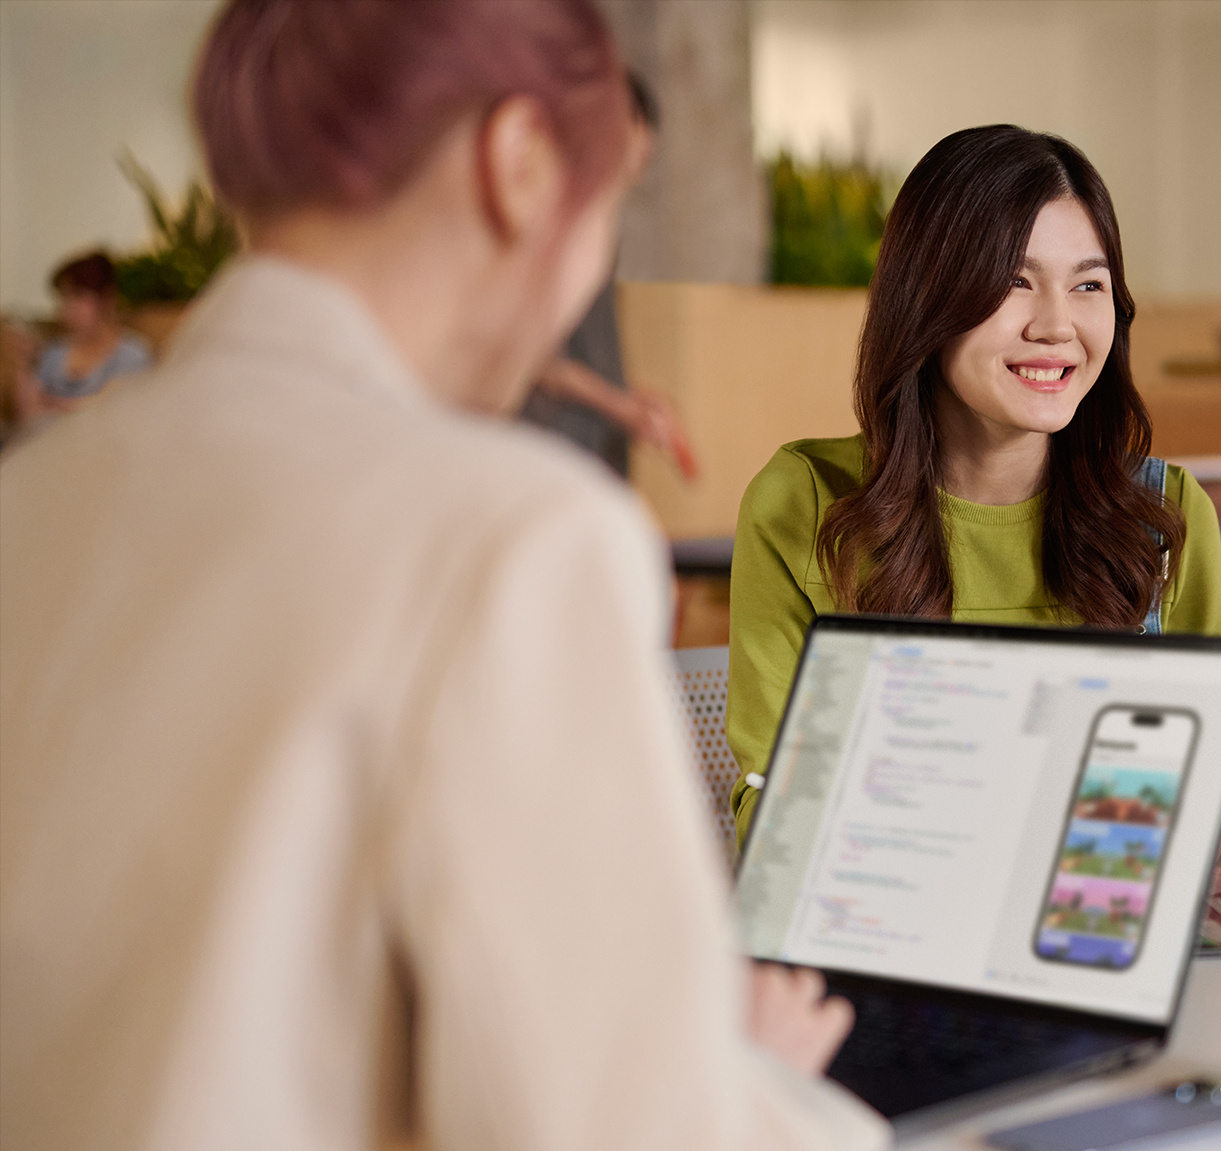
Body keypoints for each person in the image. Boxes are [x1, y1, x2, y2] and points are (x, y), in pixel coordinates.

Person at [0, 1, 883, 1148]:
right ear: (518, 164)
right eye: (607, 209)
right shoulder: (515, 537)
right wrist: (749, 1077)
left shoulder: (36, 497)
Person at [724, 125, 1221, 899]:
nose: (1058, 325)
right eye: (1016, 281)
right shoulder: (803, 504)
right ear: (928, 299)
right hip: (879, 940)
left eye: (1088, 285)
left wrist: (1215, 833)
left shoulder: (1166, 519)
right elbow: (771, 820)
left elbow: (1176, 812)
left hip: (1087, 948)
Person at [520, 73, 695, 481]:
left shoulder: (600, 230)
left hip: (592, 452)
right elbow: (538, 360)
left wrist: (628, 400)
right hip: (552, 452)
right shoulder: (549, 224)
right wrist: (621, 406)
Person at [8, 251, 154, 429]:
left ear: (107, 298)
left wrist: (52, 404)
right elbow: (29, 418)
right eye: (63, 297)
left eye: (78, 296)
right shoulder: (53, 353)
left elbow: (113, 409)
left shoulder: (132, 355)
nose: (68, 308)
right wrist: (22, 363)